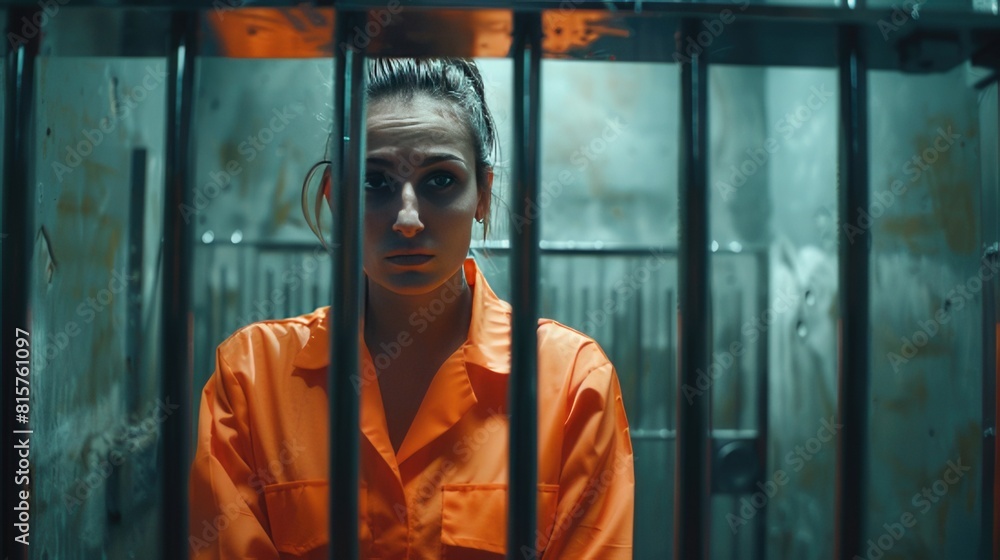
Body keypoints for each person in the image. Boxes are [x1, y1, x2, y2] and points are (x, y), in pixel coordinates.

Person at [188, 57, 634, 559]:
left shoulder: (572, 381)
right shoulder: (252, 377)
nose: (406, 218)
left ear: (483, 195)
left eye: (440, 180)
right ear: (337, 197)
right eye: (374, 182)